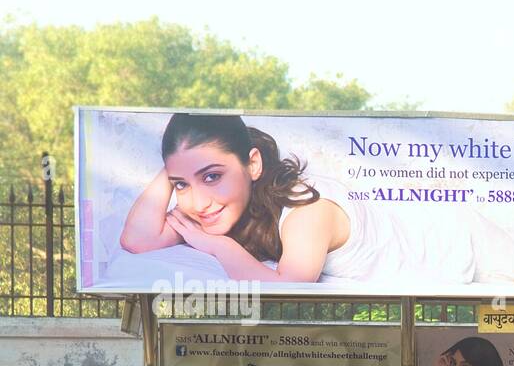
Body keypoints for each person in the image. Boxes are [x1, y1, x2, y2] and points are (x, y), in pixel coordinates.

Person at [119, 113, 354, 282]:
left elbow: (291, 288)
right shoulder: (215, 205)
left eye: (212, 176)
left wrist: (220, 246)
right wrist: (179, 163)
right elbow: (138, 240)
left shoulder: (309, 211)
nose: (199, 204)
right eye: (181, 184)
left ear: (253, 164)